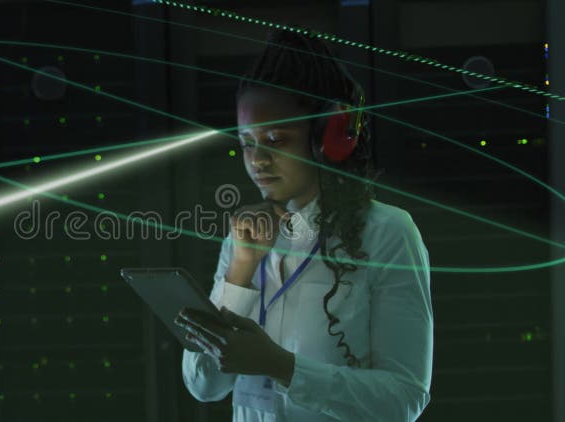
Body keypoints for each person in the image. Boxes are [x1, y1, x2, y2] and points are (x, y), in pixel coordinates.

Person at [174, 28, 433, 421]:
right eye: (247, 142)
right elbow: (204, 385)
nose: (257, 160)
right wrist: (238, 275)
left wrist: (282, 366)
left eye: (276, 139)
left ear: (328, 138)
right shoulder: (243, 236)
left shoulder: (389, 234)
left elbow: (404, 400)